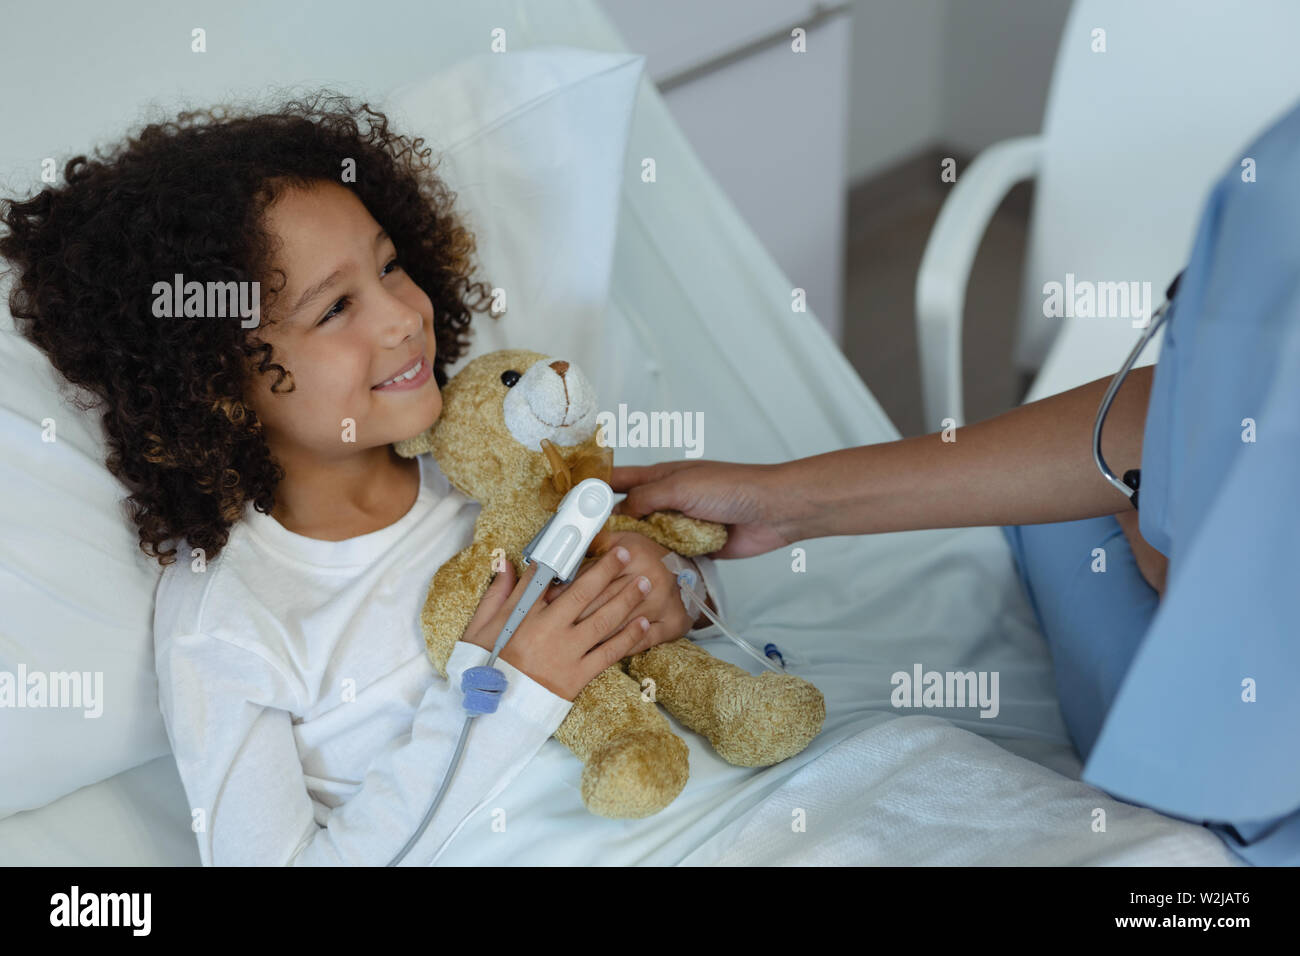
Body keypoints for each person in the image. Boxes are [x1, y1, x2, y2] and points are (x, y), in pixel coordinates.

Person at [0, 91, 724, 865]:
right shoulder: (228, 623)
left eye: (389, 266)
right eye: (335, 307)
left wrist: (669, 588)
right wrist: (499, 696)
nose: (401, 318)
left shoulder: (490, 455)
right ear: (212, 378)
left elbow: (699, 617)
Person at [608, 98, 1300, 867]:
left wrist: (1164, 537)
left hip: (1256, 776)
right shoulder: (1279, 183)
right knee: (1066, 512)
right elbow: (1178, 413)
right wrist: (789, 503)